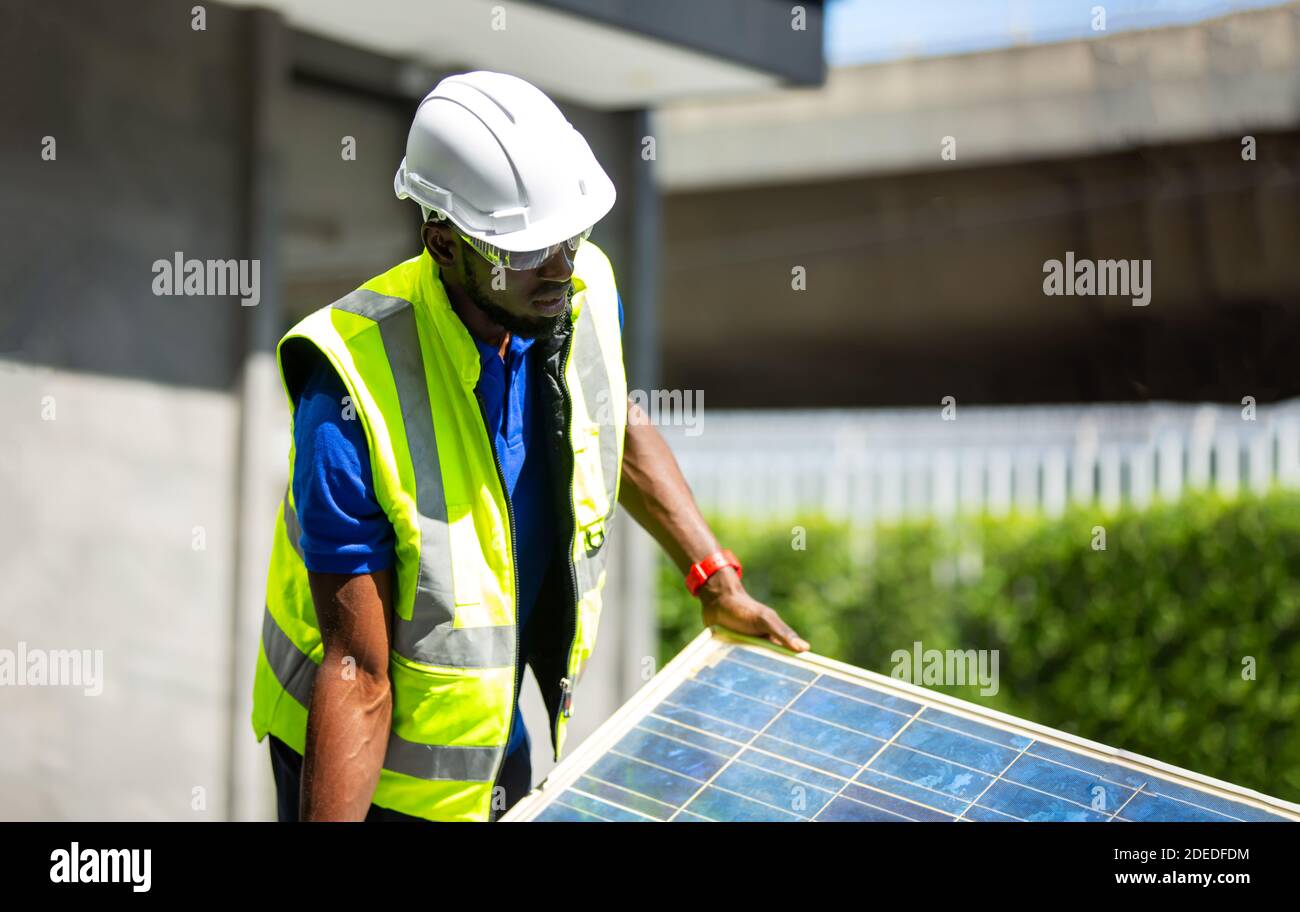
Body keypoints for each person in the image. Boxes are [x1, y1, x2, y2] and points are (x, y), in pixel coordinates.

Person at [251, 70, 809, 823]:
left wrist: (713, 578)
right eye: (526, 248)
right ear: (442, 241)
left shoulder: (577, 289)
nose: (560, 263)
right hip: (367, 777)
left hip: (491, 740)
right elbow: (358, 673)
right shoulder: (352, 388)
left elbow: (612, 421)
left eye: (570, 236)